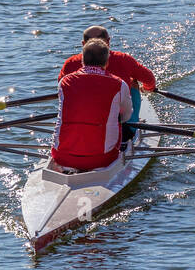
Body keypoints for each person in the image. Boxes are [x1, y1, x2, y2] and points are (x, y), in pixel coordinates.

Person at [59, 25, 156, 137]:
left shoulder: (70, 63)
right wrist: (148, 89)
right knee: (133, 83)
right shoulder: (123, 60)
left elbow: (61, 91)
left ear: (83, 44)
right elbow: (149, 79)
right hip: (118, 126)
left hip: (79, 125)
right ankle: (132, 126)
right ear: (108, 42)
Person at [51, 39, 133, 172]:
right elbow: (126, 116)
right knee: (118, 121)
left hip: (62, 157)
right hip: (103, 159)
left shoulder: (64, 82)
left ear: (82, 60)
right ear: (107, 62)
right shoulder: (120, 84)